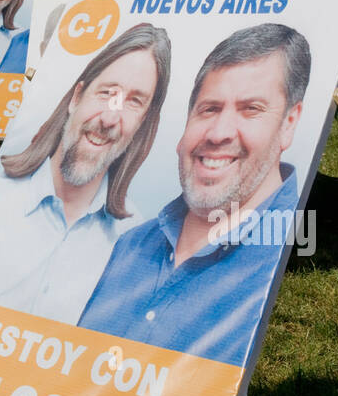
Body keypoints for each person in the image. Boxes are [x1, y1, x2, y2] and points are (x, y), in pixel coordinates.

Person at [79, 24, 311, 367]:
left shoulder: (286, 257)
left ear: (289, 124)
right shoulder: (131, 245)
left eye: (251, 109)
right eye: (209, 109)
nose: (218, 134)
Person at [0, 23, 172, 324]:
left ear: (143, 124)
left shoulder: (136, 247)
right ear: (77, 97)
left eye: (134, 102)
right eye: (107, 93)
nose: (111, 117)